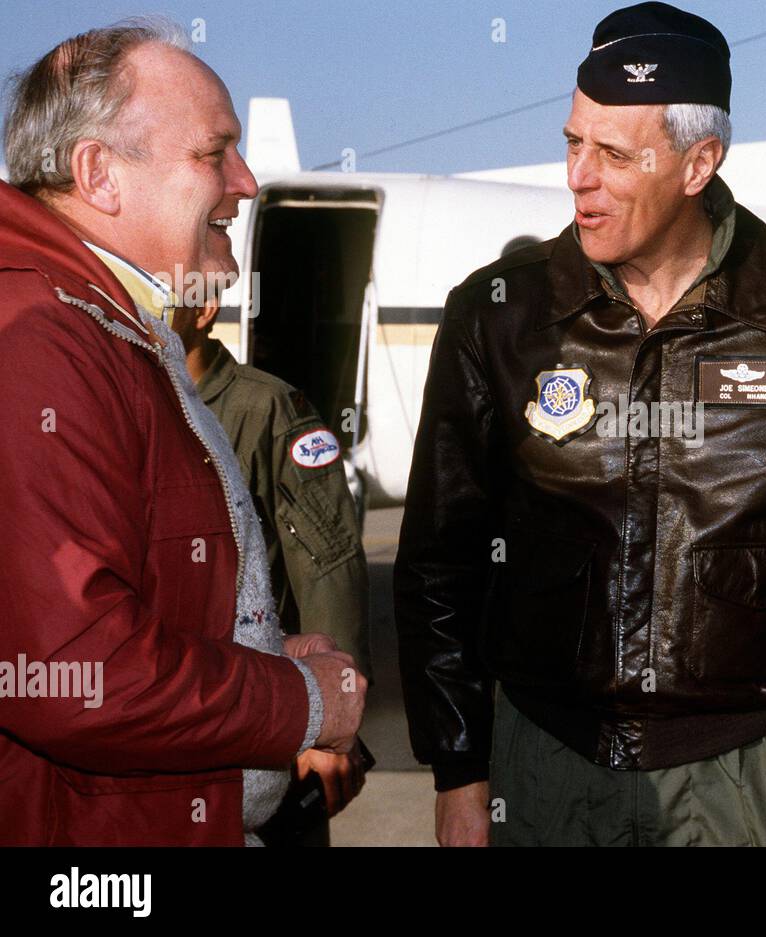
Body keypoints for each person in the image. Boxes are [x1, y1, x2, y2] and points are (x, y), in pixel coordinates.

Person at [395, 1, 766, 847]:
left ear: (697, 163)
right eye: (574, 143)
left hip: (739, 776)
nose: (579, 176)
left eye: (612, 153)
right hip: (542, 759)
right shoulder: (498, 313)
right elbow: (438, 564)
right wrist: (459, 769)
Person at [0, 18, 366, 845]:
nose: (245, 182)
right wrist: (302, 700)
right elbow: (75, 672)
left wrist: (261, 646)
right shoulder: (38, 341)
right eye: (214, 153)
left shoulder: (114, 330)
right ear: (99, 173)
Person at [179, 295, 372, 839]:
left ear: (202, 310)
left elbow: (327, 562)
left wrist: (328, 722)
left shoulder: (265, 408)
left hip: (268, 717)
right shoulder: (137, 395)